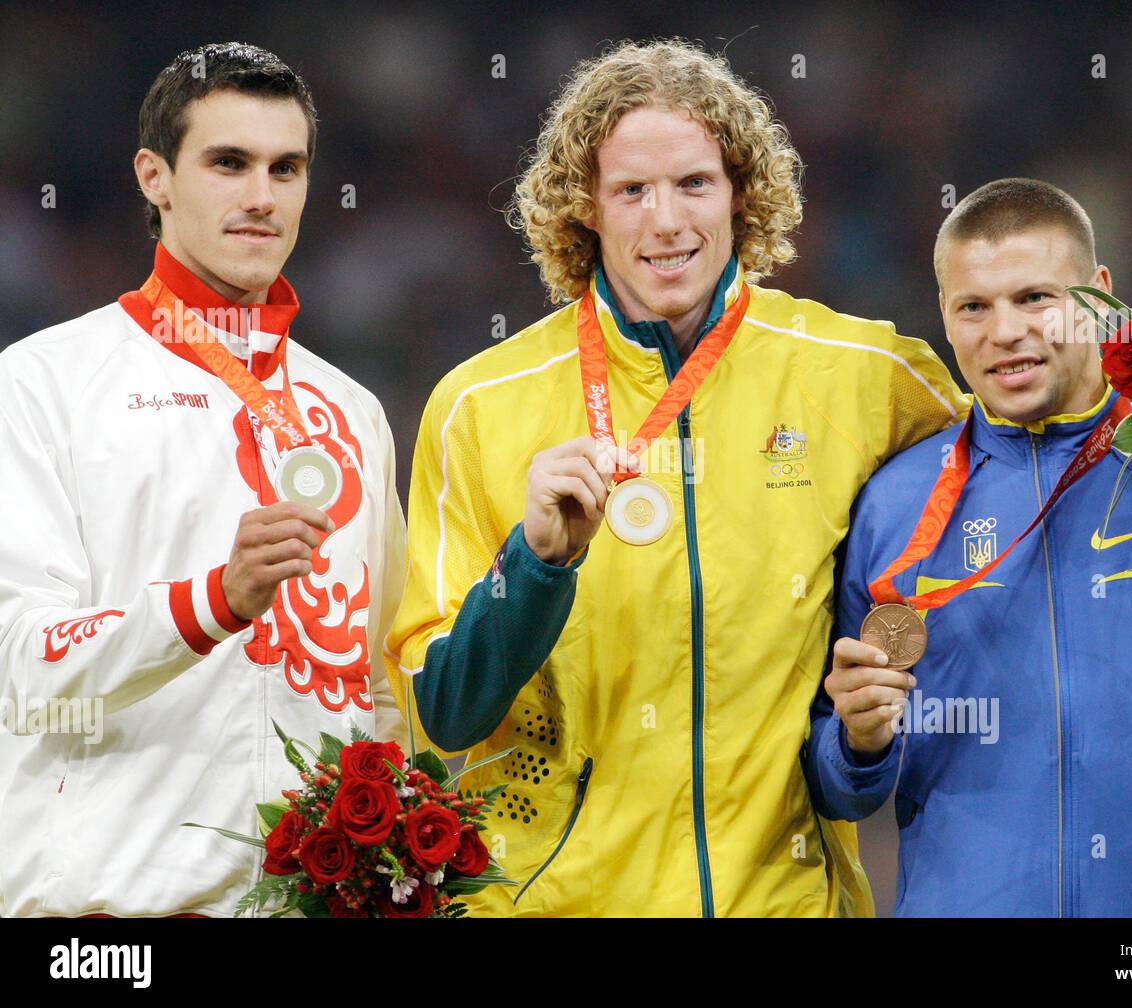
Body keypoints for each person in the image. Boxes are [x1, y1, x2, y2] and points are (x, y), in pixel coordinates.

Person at [385, 38, 967, 917]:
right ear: (583, 205)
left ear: (741, 190)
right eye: (632, 191)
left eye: (695, 183)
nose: (666, 222)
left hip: (786, 899)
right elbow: (444, 716)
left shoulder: (863, 373)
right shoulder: (479, 406)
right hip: (556, 902)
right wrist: (535, 564)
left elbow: (1020, 466)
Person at [805, 177, 1132, 916]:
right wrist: (856, 741)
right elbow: (838, 783)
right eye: (974, 305)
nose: (1004, 331)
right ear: (944, 314)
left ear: (1099, 293)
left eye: (1034, 297)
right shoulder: (891, 505)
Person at [0, 42, 406, 917]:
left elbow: (376, 683)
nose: (262, 196)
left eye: (286, 167)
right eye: (228, 163)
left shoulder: (354, 412)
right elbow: (20, 670)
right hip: (112, 926)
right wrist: (215, 598)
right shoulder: (41, 383)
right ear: (155, 176)